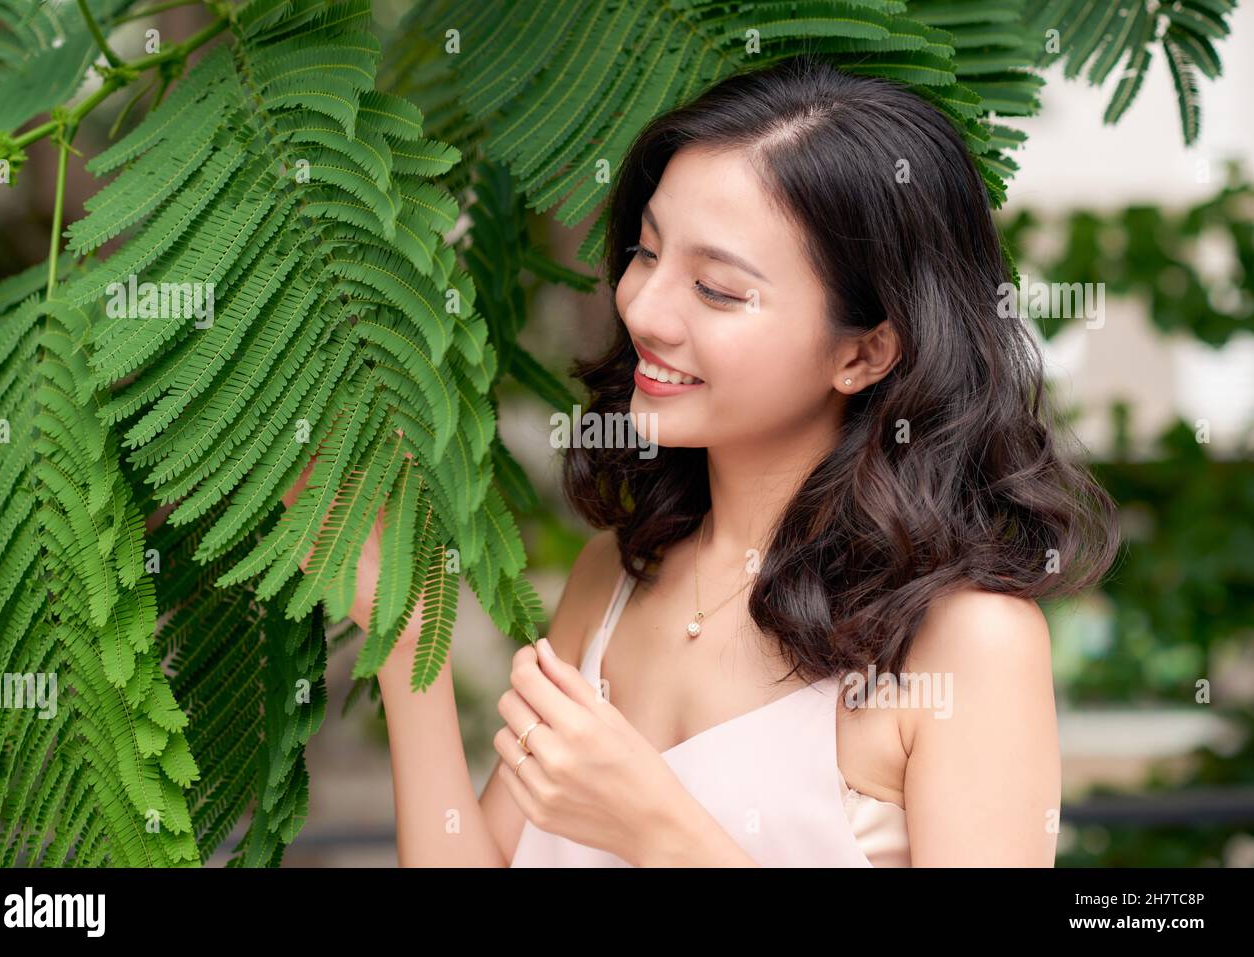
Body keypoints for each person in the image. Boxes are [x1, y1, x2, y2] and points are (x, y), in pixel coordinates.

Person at [287, 53, 1119, 866]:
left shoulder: (969, 643)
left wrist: (658, 832)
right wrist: (407, 639)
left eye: (716, 289)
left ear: (865, 352)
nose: (644, 307)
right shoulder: (614, 576)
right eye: (647, 253)